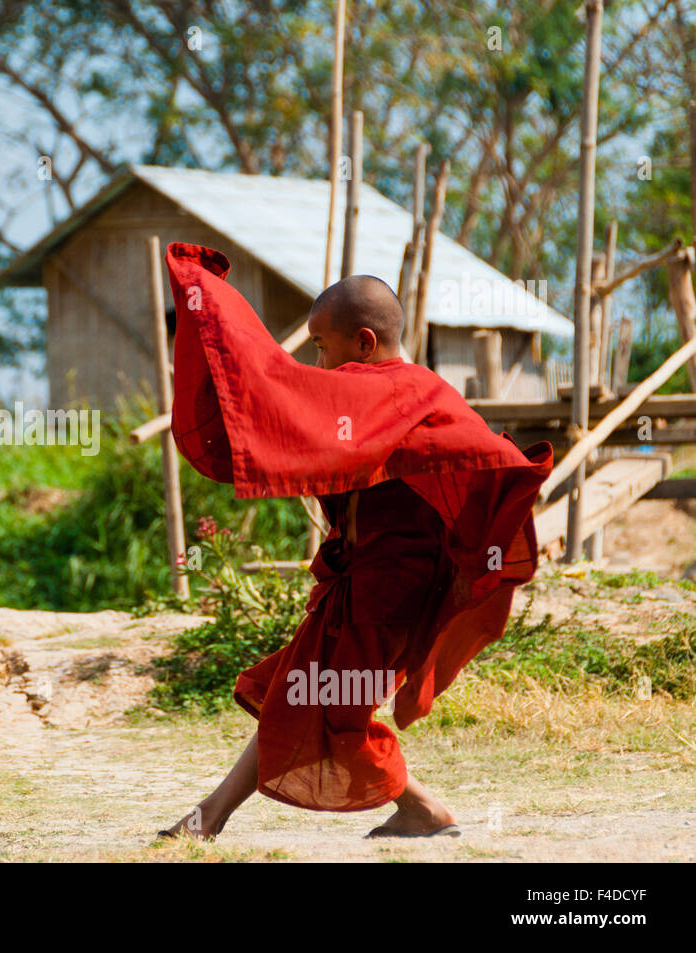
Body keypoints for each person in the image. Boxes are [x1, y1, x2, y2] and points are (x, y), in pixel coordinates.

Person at [157, 243, 552, 839]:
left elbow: (482, 458)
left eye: (321, 345)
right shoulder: (360, 402)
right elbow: (283, 417)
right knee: (294, 695)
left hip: (392, 590)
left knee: (328, 708)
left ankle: (419, 809)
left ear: (364, 343)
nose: (315, 361)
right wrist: (215, 333)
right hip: (356, 583)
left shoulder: (416, 397)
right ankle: (209, 817)